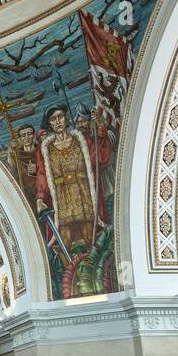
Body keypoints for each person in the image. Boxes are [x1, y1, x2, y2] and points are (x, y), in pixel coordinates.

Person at [35, 104, 110, 253]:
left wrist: (101, 127)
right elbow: (42, 174)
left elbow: (99, 157)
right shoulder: (45, 149)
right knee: (65, 238)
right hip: (61, 198)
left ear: (66, 118)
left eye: (60, 117)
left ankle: (91, 264)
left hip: (82, 192)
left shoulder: (81, 140)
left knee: (89, 235)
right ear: (49, 123)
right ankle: (71, 272)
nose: (58, 122)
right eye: (53, 119)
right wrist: (40, 198)